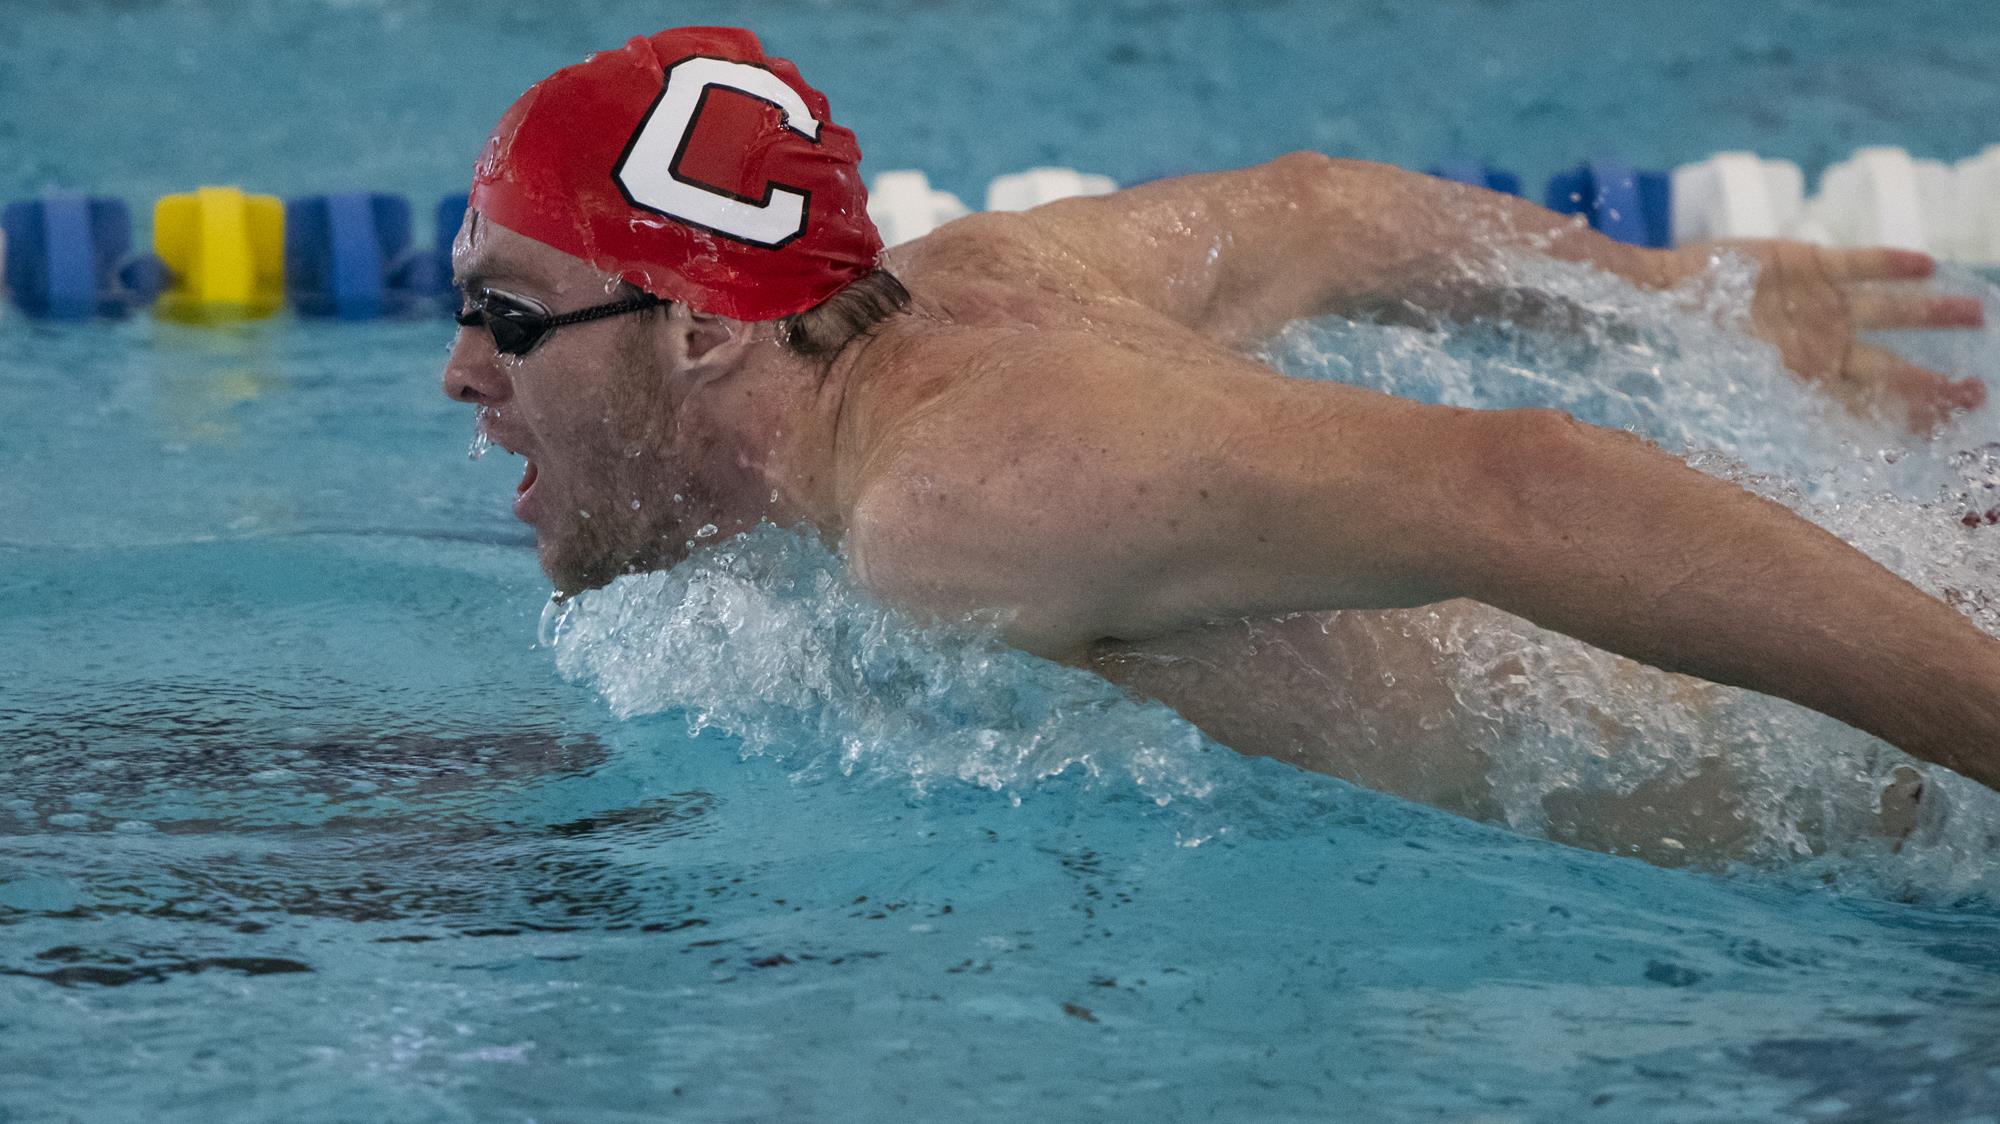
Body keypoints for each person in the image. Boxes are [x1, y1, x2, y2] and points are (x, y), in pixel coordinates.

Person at [443, 26, 1999, 860]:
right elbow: (1324, 208)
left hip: (1891, 801)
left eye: (508, 321)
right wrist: (1667, 294)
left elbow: (1529, 483)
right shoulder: (987, 278)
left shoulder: (963, 504)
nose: (461, 376)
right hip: (1920, 588)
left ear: (708, 327)